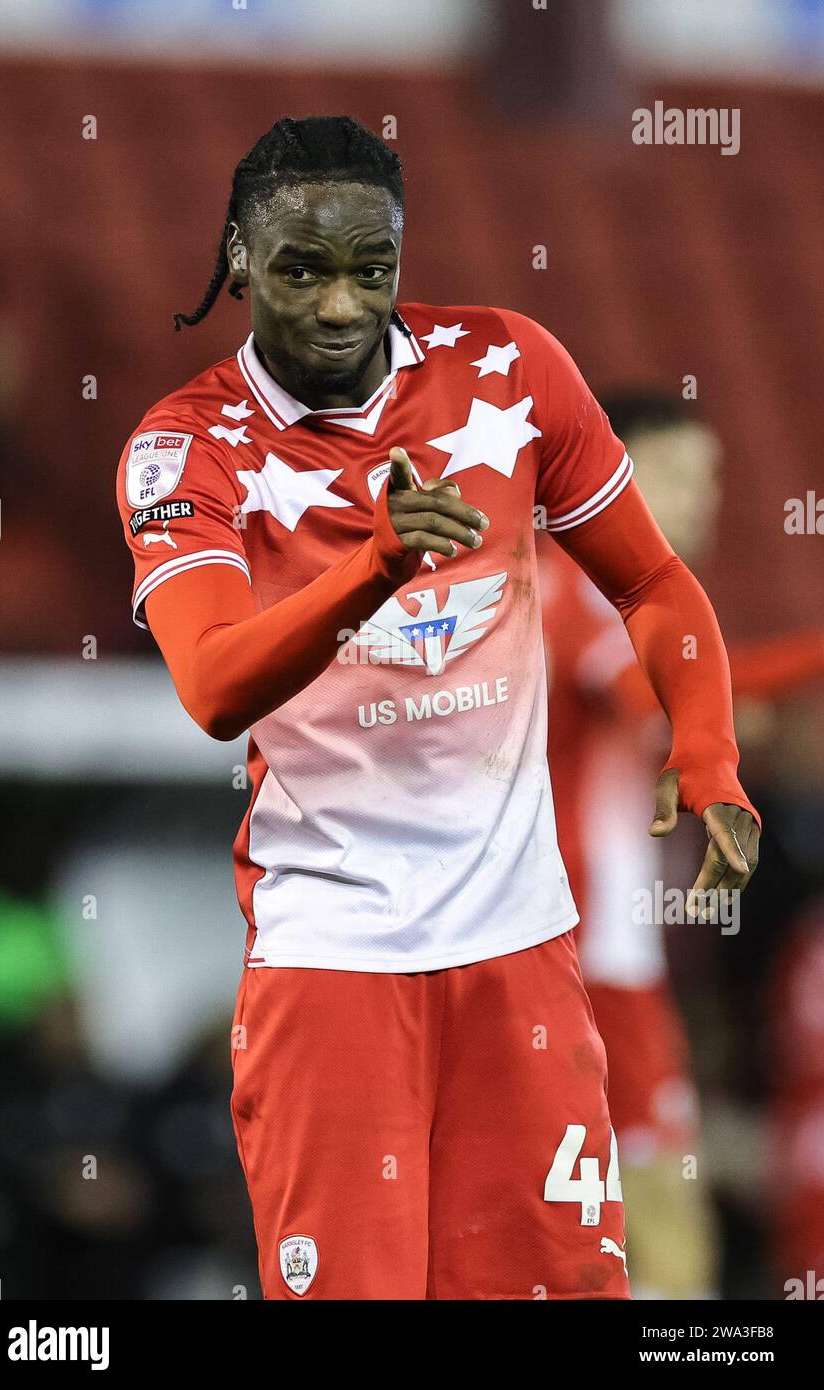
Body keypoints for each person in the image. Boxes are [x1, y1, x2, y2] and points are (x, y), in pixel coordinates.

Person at [115, 116, 759, 1300]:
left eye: (372, 268)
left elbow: (652, 579)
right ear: (237, 258)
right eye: (301, 269)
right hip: (333, 964)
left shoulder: (509, 366)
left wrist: (705, 747)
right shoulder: (185, 447)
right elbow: (211, 687)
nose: (340, 305)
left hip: (521, 954)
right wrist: (373, 567)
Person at [539, 390, 824, 1297]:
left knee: (641, 1236)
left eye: (711, 479)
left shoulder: (608, 593)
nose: (705, 502)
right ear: (620, 472)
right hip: (583, 962)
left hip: (603, 958)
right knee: (651, 1240)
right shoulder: (570, 582)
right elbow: (643, 697)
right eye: (683, 476)